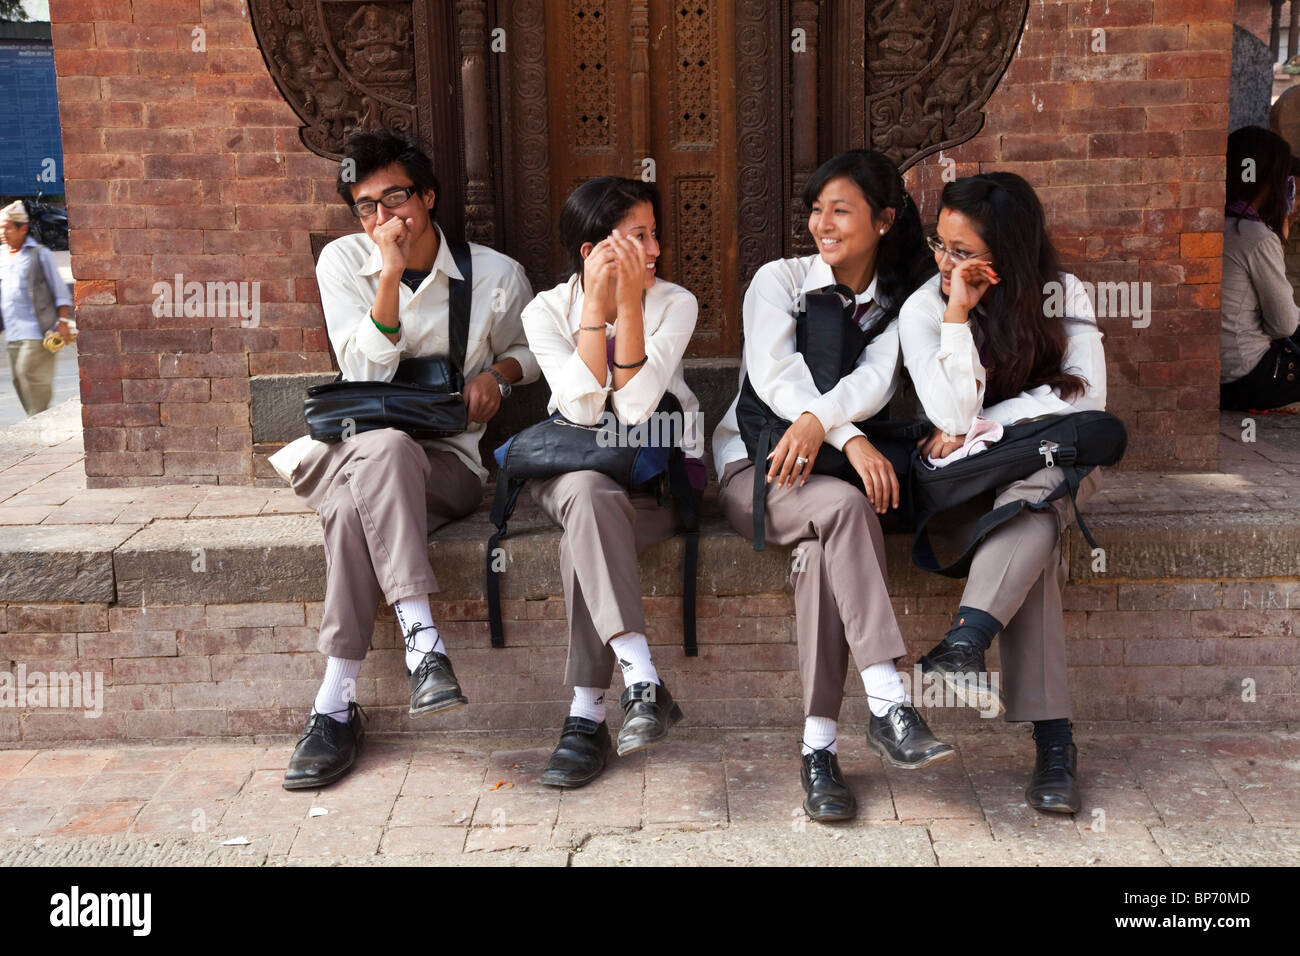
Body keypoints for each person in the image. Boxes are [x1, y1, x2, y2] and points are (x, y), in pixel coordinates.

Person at [268, 129, 539, 789]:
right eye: (366, 207)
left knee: (349, 511)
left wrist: (499, 377)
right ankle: (424, 645)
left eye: (396, 199)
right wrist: (387, 275)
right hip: (348, 452)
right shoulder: (342, 264)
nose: (384, 218)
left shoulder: (496, 276)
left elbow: (537, 352)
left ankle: (334, 706)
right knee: (380, 448)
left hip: (447, 465)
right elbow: (360, 367)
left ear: (428, 196)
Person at [712, 150, 952, 824]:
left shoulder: (896, 304)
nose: (822, 222)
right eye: (816, 209)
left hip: (826, 485)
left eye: (839, 210)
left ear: (882, 221)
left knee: (823, 553)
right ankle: (888, 703)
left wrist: (831, 429)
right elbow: (773, 374)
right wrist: (842, 433)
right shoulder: (779, 281)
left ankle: (818, 750)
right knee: (846, 506)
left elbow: (877, 382)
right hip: (758, 469)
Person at [898, 171, 1106, 814]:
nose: (945, 262)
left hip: (1043, 469)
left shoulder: (1060, 294)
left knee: (1036, 494)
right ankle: (1054, 744)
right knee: (1034, 516)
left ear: (1008, 252)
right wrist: (958, 313)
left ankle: (964, 645)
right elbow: (953, 413)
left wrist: (997, 422)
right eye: (941, 244)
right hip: (962, 491)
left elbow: (1091, 396)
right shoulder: (925, 309)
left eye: (964, 252)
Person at [521, 176, 705, 788]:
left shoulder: (676, 302)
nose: (656, 250)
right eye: (639, 237)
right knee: (583, 491)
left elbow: (633, 409)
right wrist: (593, 310)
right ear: (591, 251)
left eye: (655, 234)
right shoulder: (543, 310)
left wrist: (626, 303)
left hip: (653, 482)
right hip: (573, 470)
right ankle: (641, 679)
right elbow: (579, 412)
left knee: (587, 523)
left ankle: (586, 715)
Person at [1220, 125, 1300, 411]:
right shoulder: (1255, 235)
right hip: (1245, 378)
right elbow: (1283, 324)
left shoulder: (1214, 224)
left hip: (1211, 375)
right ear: (1270, 180)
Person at [0, 200, 73, 417]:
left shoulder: (40, 254)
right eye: (0, 228)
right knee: (18, 380)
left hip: (37, 330)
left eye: (7, 228)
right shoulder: (2, 256)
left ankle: (39, 417)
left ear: (23, 229)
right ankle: (37, 416)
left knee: (27, 372)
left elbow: (60, 292)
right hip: (11, 332)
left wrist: (62, 322)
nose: (2, 233)